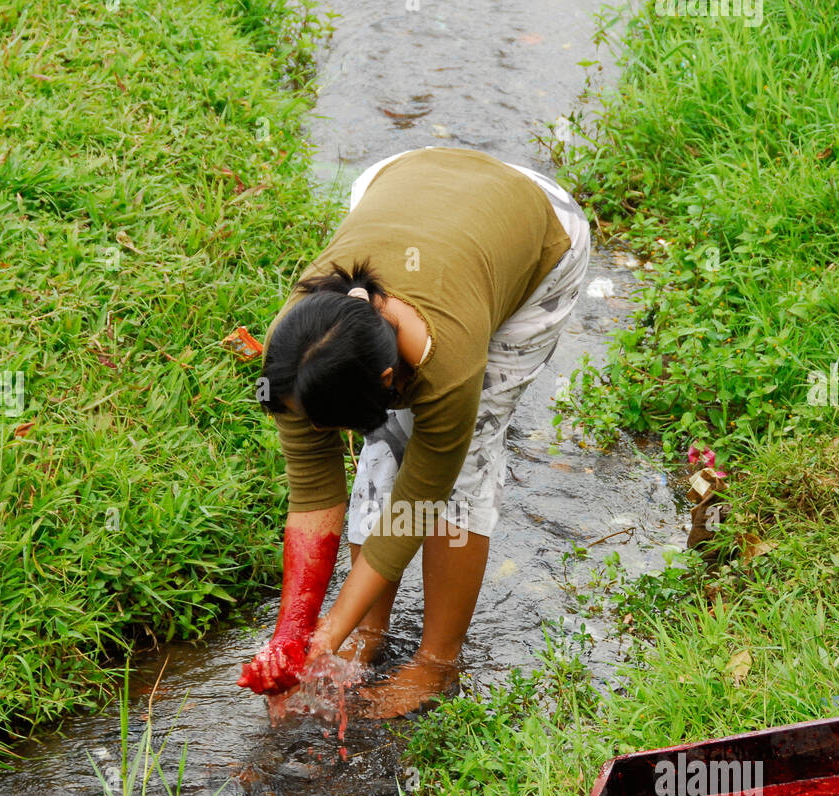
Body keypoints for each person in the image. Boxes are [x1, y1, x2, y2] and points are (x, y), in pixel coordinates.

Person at [238, 146, 591, 717]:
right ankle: (366, 634)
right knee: (383, 448)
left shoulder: (446, 366)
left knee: (461, 476)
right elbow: (312, 497)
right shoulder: (299, 349)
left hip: (542, 232)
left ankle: (435, 662)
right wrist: (292, 638)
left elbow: (419, 502)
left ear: (387, 376)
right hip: (407, 177)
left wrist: (323, 638)